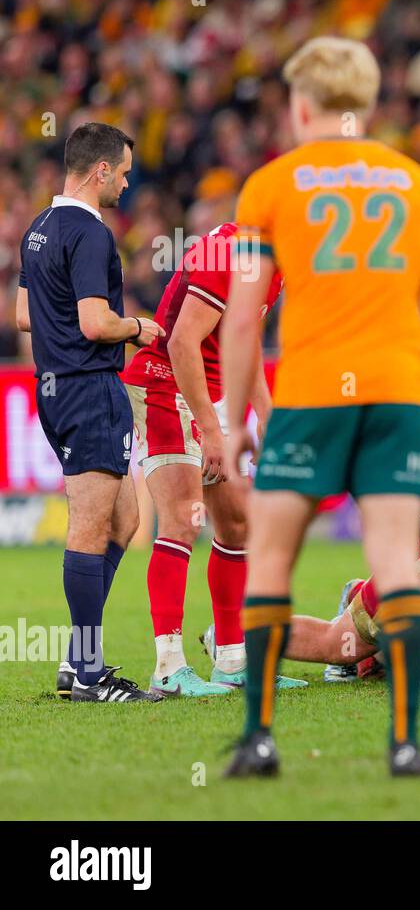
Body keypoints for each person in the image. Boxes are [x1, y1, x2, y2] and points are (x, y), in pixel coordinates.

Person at [221, 37, 420, 778]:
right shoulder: (418, 185)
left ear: (300, 105)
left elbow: (242, 316)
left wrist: (234, 421)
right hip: (394, 394)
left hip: (310, 396)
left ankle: (259, 740)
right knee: (393, 560)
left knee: (270, 558)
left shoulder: (269, 186)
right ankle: (405, 744)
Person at [120, 222, 304, 696]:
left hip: (210, 395)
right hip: (164, 385)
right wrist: (210, 429)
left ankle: (232, 661)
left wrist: (267, 416)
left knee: (238, 524)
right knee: (182, 518)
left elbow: (244, 344)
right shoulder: (227, 253)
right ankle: (168, 666)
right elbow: (182, 343)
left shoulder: (275, 264)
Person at [16, 122, 163, 702]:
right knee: (90, 524)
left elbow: (24, 316)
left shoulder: (38, 229)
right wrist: (139, 329)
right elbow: (96, 323)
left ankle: (78, 659)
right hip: (89, 388)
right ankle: (88, 673)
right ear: (100, 170)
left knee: (125, 518)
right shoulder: (91, 233)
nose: (126, 183)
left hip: (53, 387)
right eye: (123, 172)